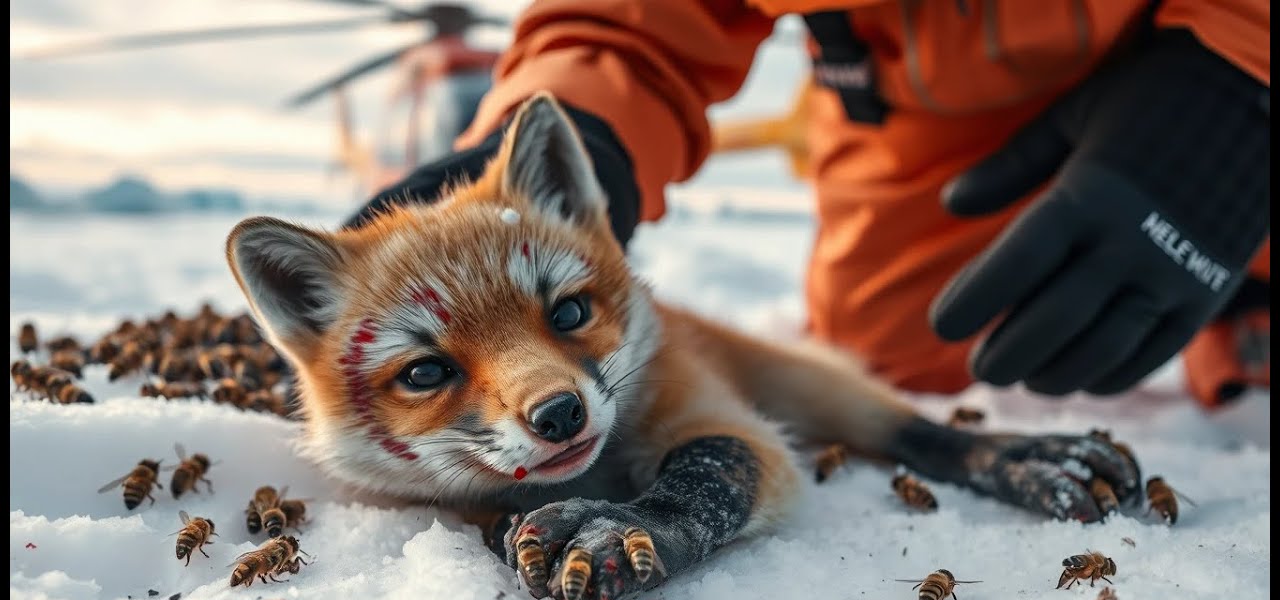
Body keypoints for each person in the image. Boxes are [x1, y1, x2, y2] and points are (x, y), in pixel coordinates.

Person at [348, 0, 1270, 409]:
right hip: (923, 100)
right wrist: (581, 138)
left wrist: (1239, 89)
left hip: (1206, 52)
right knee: (892, 339)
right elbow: (629, 24)